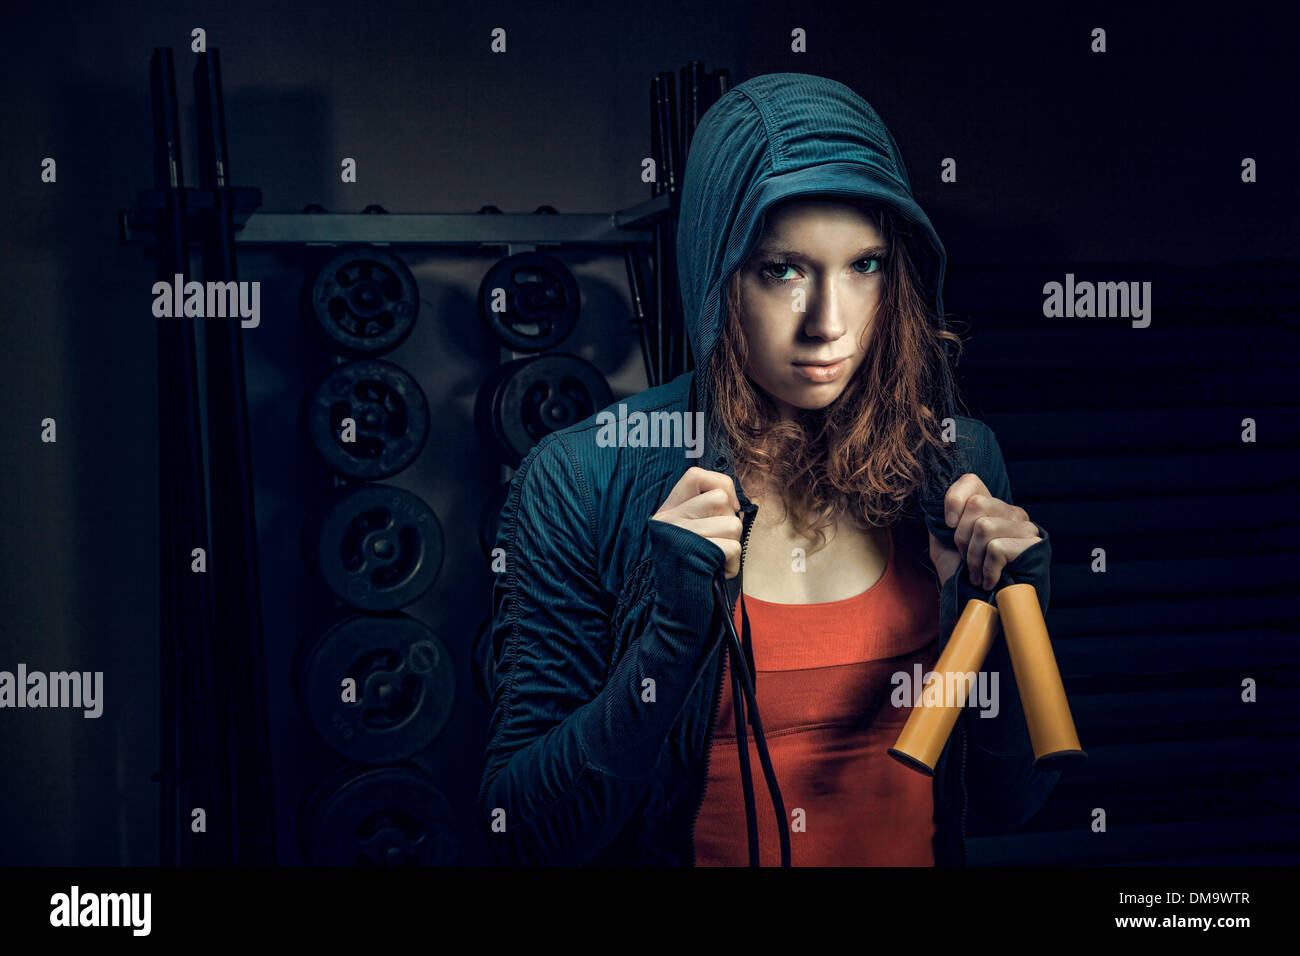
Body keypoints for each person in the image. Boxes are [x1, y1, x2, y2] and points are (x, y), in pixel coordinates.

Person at [477, 72, 1061, 866]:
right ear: (715, 274)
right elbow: (521, 834)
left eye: (865, 266)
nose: (829, 323)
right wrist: (672, 639)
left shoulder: (955, 461)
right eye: (782, 270)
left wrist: (1013, 620)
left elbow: (1011, 801)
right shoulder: (582, 481)